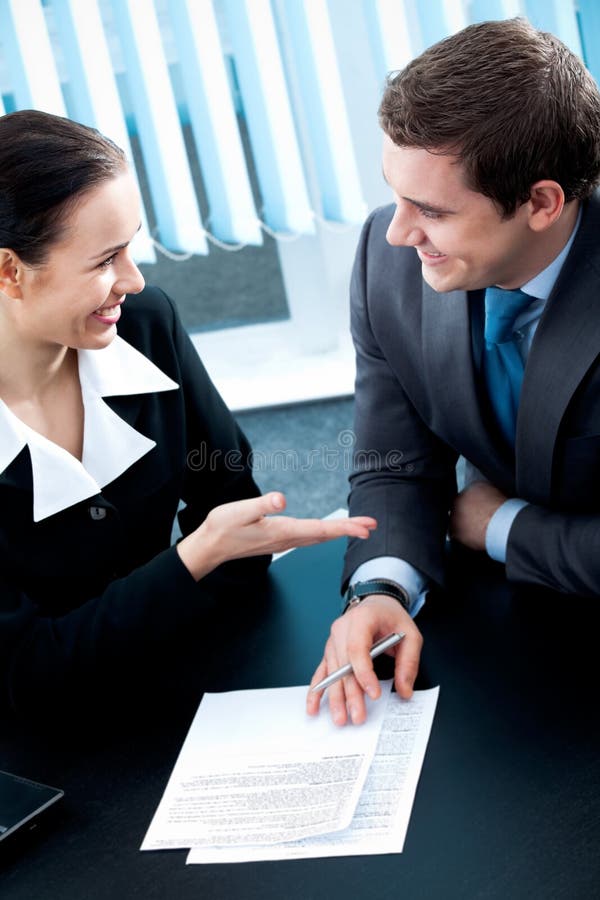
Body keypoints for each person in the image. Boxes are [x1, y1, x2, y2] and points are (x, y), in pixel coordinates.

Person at [0, 109, 376, 718]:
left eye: (131, 247)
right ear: (10, 272)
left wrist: (214, 562)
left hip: (184, 678)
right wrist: (196, 558)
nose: (134, 279)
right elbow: (25, 676)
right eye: (104, 261)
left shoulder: (146, 326)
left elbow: (236, 523)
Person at [307, 17, 600, 725]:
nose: (400, 231)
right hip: (504, 645)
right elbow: (395, 462)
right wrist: (383, 588)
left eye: (431, 210)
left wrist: (503, 527)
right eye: (397, 195)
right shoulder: (387, 255)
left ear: (541, 202)